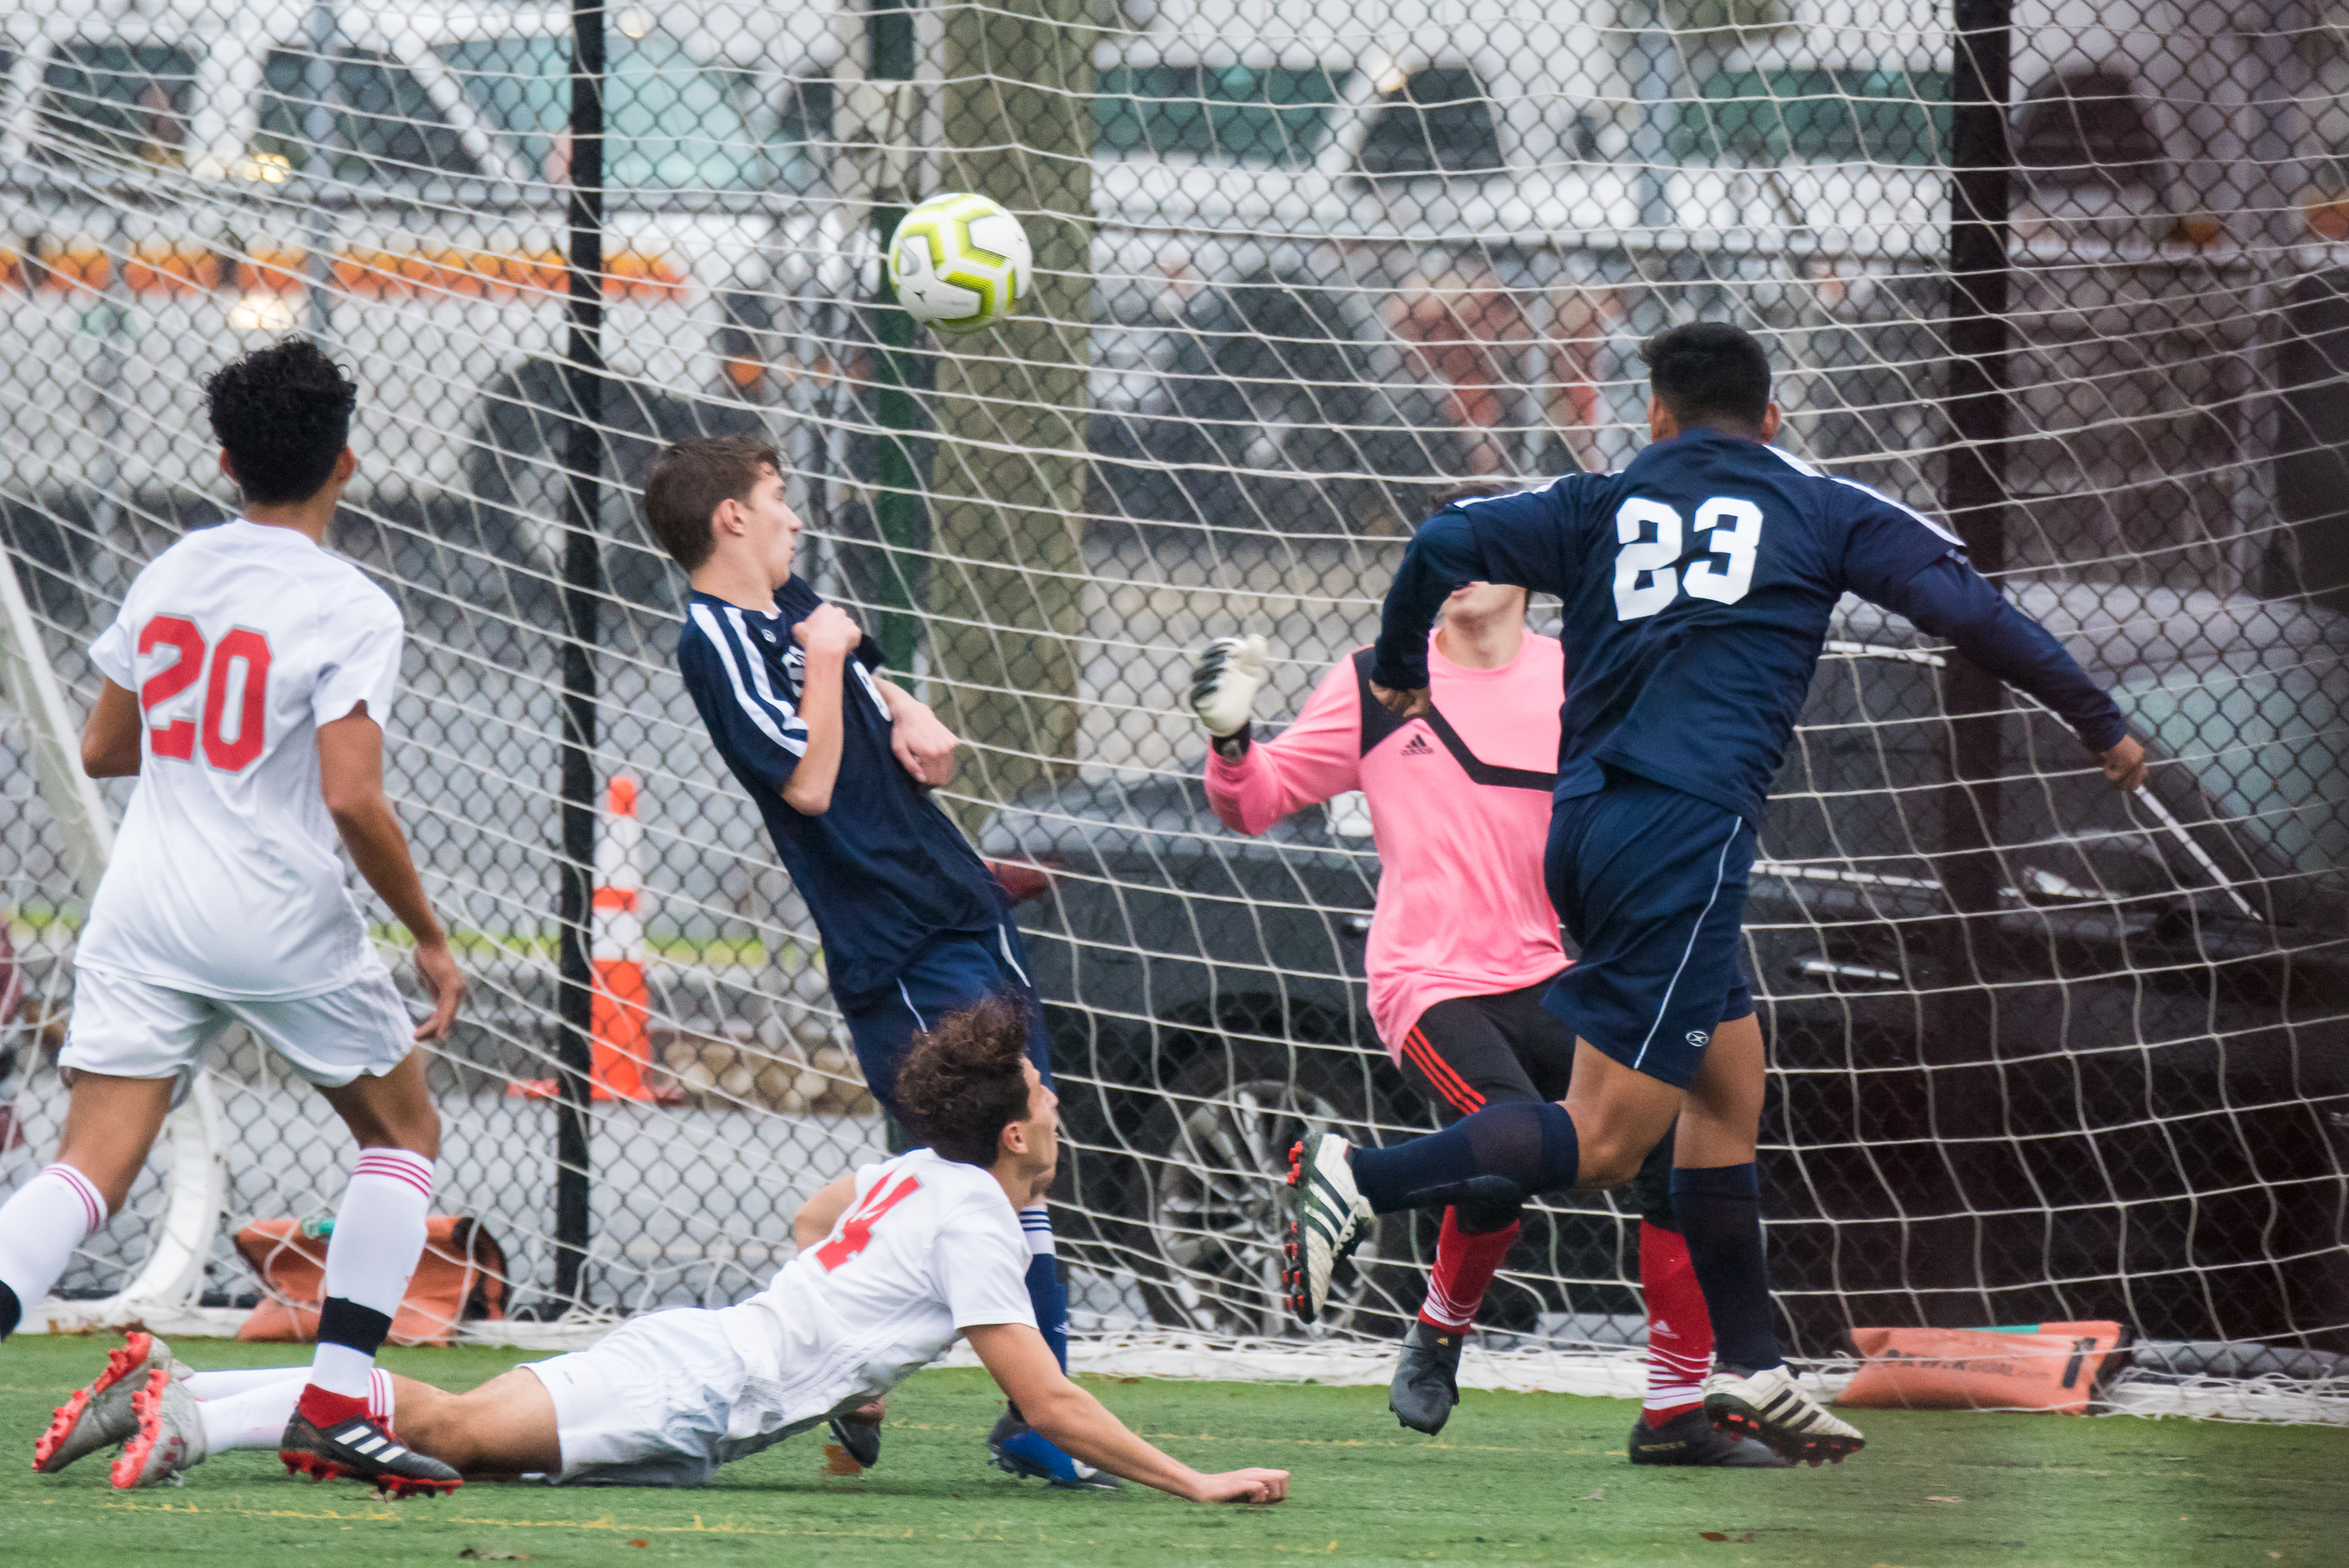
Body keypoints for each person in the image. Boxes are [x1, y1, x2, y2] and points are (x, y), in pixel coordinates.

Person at [1283, 320, 2148, 1467]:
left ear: (1654, 415)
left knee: (1727, 1084)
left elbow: (1443, 537)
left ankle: (1749, 1366)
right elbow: (1969, 610)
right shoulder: (1825, 505)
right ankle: (1359, 1177)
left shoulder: (1597, 502)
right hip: (1683, 835)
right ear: (1773, 420)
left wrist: (1398, 663)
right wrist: (2095, 716)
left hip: (1585, 831)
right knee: (1602, 1141)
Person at [42, 1000, 1293, 1507]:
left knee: (463, 1433)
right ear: (1018, 1133)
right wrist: (1197, 1483)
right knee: (456, 1435)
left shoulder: (927, 1176)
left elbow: (816, 1223)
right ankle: (192, 1413)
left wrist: (854, 1377)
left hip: (700, 1359)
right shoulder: (979, 1218)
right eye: (1048, 1098)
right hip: (692, 1386)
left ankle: (183, 1398)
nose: (1063, 1112)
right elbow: (1048, 1399)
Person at [1185, 498, 1779, 1466]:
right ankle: (1438, 1332)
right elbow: (1253, 805)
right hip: (1432, 981)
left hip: (1564, 973)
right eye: (1445, 552)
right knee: (1500, 1146)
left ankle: (1674, 1415)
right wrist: (1231, 739)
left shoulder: (1579, 671)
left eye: (1489, 549)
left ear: (1531, 573)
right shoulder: (1381, 683)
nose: (1467, 566)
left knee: (1671, 1154)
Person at [1, 338, 467, 1494]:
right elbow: (353, 795)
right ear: (345, 464)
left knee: (88, 1171)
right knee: (402, 1138)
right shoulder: (353, 603)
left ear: (223, 462)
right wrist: (429, 932)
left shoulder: (173, 569)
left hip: (147, 903)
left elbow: (106, 746)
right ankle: (339, 1400)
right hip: (274, 913)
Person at [646, 433, 1103, 1488]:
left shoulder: (791, 602)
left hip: (957, 898)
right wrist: (822, 662)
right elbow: (806, 785)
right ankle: (995, 1403)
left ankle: (935, 1386)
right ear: (730, 520)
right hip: (892, 938)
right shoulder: (712, 639)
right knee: (987, 1157)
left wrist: (910, 708)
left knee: (1005, 1153)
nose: (793, 516)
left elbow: (858, 663)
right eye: (776, 498)